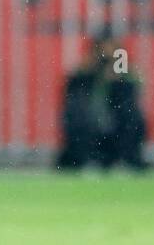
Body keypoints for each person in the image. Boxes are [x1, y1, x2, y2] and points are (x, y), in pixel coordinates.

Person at [58, 31, 147, 170]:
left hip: (117, 123)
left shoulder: (125, 73)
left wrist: (119, 78)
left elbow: (134, 95)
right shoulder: (83, 73)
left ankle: (125, 160)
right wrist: (92, 73)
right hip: (91, 124)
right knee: (76, 115)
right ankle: (85, 160)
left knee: (132, 117)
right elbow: (72, 95)